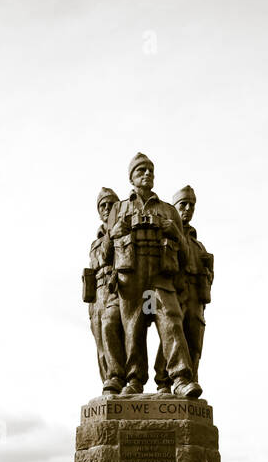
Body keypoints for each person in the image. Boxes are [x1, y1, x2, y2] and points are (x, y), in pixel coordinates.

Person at [106, 152, 200, 398]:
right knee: (133, 328)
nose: (147, 174)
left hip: (160, 277)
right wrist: (114, 232)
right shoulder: (119, 208)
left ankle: (179, 378)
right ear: (131, 178)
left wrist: (175, 234)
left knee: (171, 321)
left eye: (150, 170)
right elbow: (105, 254)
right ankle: (134, 380)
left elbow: (185, 255)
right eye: (141, 170)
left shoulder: (169, 211)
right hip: (132, 276)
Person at [154, 184, 213, 389]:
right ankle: (164, 382)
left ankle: (190, 382)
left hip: (196, 296)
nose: (188, 209)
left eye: (191, 205)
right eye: (183, 204)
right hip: (174, 291)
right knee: (171, 334)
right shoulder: (166, 233)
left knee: (194, 343)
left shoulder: (199, 245)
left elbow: (208, 274)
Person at [85, 186, 126, 394]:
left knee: (112, 328)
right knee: (101, 343)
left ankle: (117, 376)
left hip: (117, 288)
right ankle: (109, 383)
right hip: (97, 295)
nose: (107, 208)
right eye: (103, 205)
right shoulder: (96, 241)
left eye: (111, 205)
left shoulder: (122, 233)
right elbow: (98, 259)